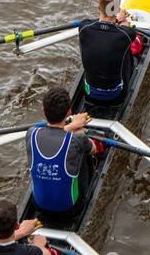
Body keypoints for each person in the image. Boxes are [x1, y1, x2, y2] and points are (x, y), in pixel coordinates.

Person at [26, 85, 103, 216]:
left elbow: (54, 133)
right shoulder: (77, 139)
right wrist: (78, 129)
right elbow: (94, 150)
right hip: (71, 209)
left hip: (39, 206)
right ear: (69, 112)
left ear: (44, 111)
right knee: (85, 151)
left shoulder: (31, 134)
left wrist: (71, 126)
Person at [78, 0, 145, 106]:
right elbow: (125, 29)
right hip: (116, 96)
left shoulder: (83, 28)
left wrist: (113, 19)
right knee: (129, 54)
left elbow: (97, 21)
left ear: (98, 7)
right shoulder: (126, 34)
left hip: (89, 94)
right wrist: (123, 22)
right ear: (117, 10)